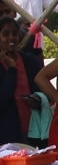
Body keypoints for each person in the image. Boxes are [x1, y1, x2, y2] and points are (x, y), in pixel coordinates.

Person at [0, 16, 42, 144]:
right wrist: (12, 69)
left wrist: (37, 99)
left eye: (14, 33)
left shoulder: (29, 61)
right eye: (6, 34)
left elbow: (42, 90)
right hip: (7, 134)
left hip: (33, 129)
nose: (11, 38)